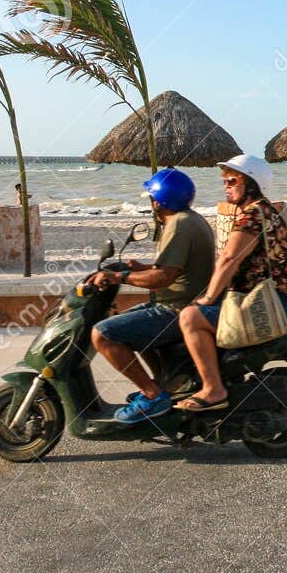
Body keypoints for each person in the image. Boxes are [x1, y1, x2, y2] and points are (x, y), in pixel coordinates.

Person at [176, 153, 287, 414]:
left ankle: (213, 389)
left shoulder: (253, 215)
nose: (226, 186)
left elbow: (228, 258)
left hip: (270, 302)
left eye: (232, 181)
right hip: (279, 297)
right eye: (224, 181)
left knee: (190, 318)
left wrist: (208, 298)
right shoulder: (264, 211)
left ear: (253, 185)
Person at [89, 168, 215, 424]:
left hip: (177, 310)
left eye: (151, 199)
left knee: (102, 334)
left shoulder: (179, 225)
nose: (151, 204)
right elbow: (176, 269)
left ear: (159, 201)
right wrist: (142, 268)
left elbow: (163, 278)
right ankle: (163, 385)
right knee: (127, 321)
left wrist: (118, 277)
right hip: (183, 305)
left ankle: (153, 395)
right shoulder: (191, 219)